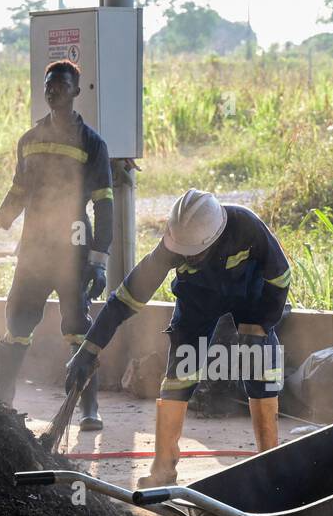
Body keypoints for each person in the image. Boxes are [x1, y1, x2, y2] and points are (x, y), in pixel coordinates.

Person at [65, 189, 291, 487]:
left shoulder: (246, 226)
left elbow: (280, 278)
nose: (185, 255)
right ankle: (163, 471)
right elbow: (125, 300)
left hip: (250, 295)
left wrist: (261, 324)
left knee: (260, 367)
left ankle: (269, 465)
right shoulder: (172, 247)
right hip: (198, 300)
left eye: (192, 253)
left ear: (213, 239)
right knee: (178, 378)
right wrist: (89, 349)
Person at [0, 59, 113, 429]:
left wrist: (99, 260)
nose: (53, 91)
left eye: (61, 86)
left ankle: (88, 409)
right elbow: (16, 194)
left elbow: (104, 205)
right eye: (49, 86)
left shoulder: (92, 144)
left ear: (76, 92)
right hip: (33, 250)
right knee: (17, 323)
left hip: (73, 252)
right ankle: (2, 404)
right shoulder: (29, 141)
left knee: (77, 328)